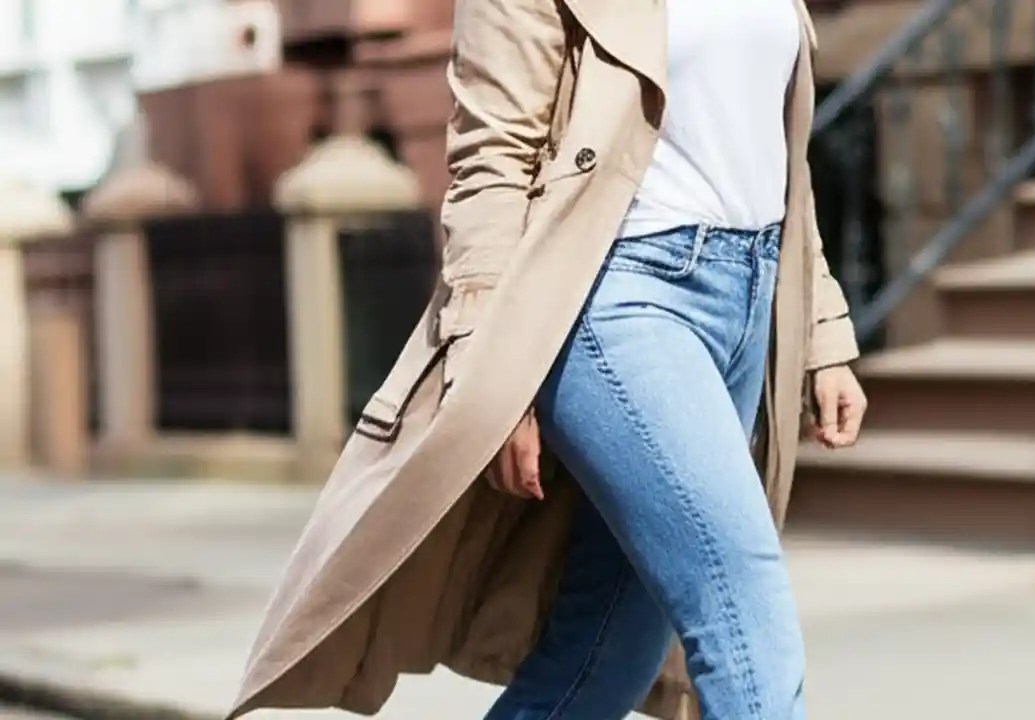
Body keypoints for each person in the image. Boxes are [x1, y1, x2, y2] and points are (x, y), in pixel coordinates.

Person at [226, 1, 866, 719]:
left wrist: (820, 329)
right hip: (618, 298)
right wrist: (489, 371)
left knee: (606, 654)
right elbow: (491, 163)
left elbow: (781, 153)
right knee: (740, 599)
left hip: (749, 291)